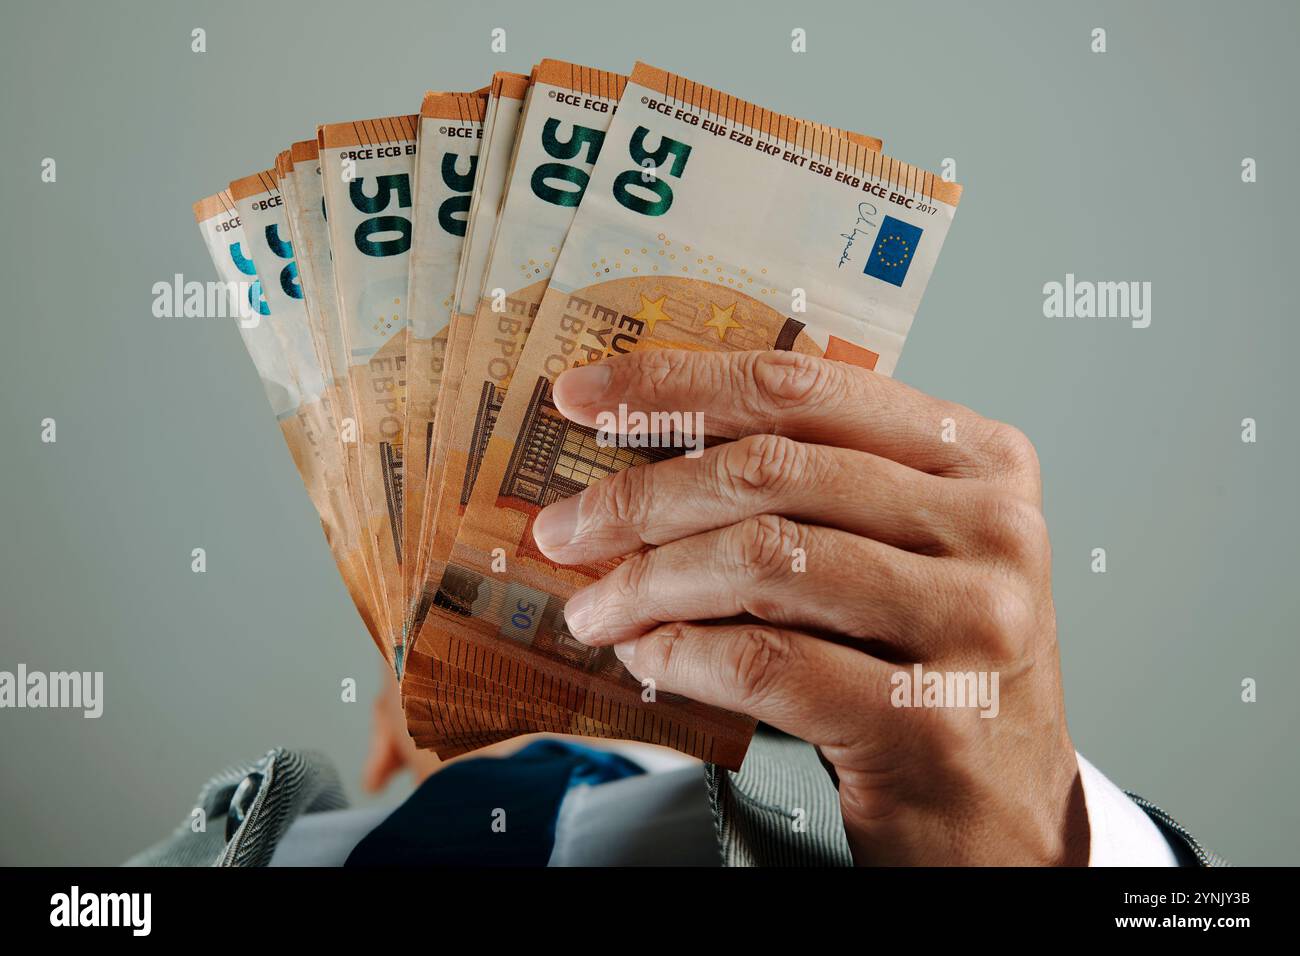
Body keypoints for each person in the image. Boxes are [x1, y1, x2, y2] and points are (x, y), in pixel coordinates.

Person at [131, 351, 1222, 867]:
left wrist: (1035, 842)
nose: (589, 609)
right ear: (389, 723)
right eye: (481, 600)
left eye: (648, 550)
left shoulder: (889, 813)